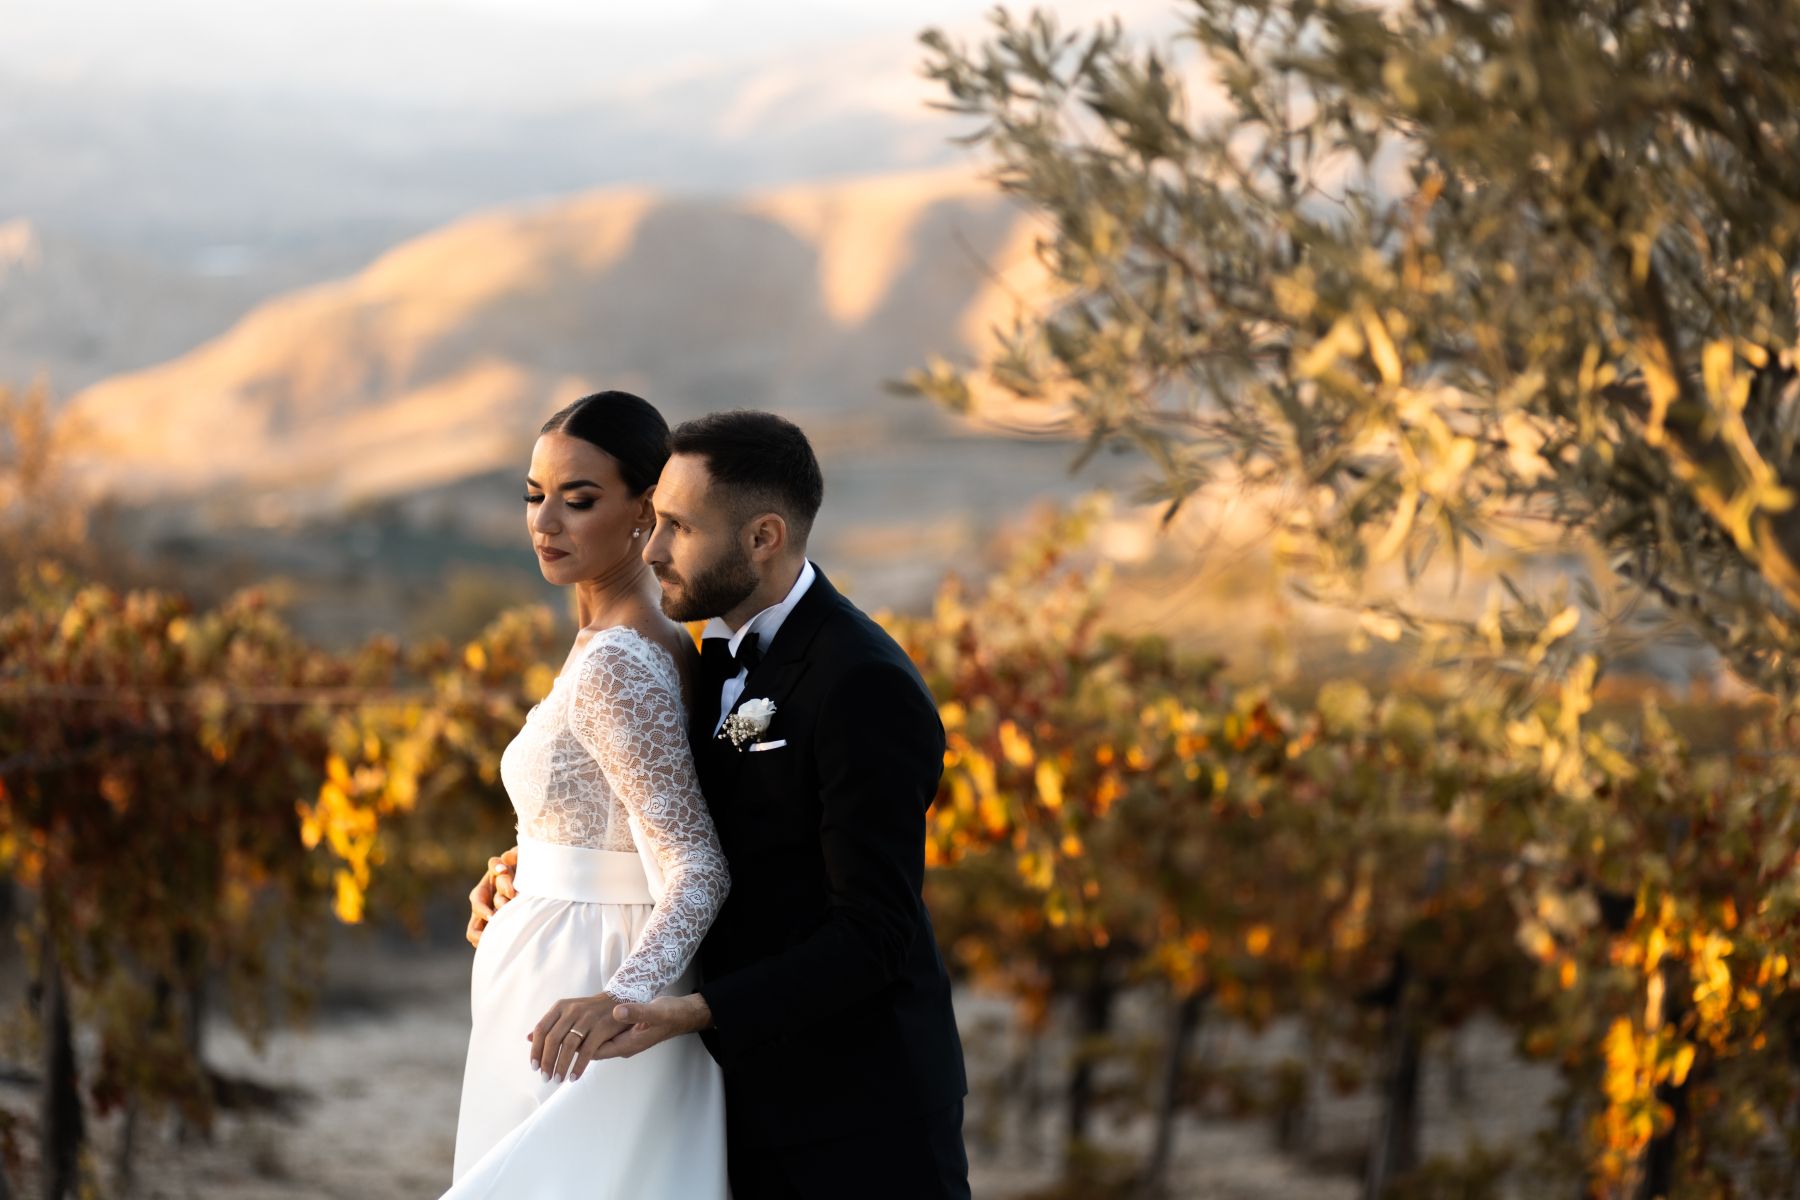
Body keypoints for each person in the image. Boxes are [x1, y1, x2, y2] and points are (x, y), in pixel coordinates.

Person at [597, 409, 969, 1197]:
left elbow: (874, 933)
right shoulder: (712, 653)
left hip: (862, 1115)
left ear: (763, 537)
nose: (652, 548)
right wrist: (538, 867)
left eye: (677, 526)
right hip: (742, 1096)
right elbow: (690, 826)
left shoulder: (863, 684)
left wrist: (692, 1011)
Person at [444, 390, 730, 1198]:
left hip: (584, 994)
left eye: (579, 500)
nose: (545, 522)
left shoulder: (616, 663)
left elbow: (696, 865)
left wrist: (623, 1001)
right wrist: (532, 860)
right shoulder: (654, 640)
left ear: (646, 511)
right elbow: (616, 819)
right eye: (535, 497)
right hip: (561, 966)